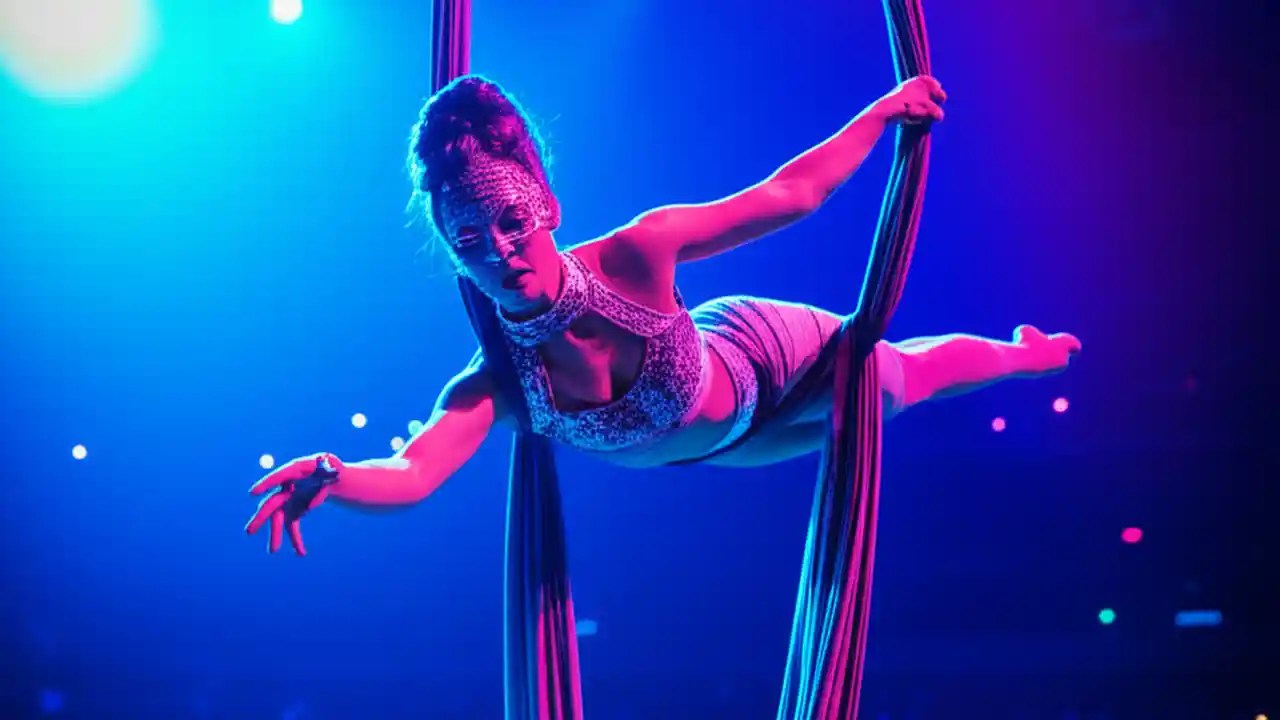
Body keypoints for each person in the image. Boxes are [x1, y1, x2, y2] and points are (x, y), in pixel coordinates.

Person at [244, 74, 1080, 555]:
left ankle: (1025, 355)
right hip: (724, 447)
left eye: (513, 222)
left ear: (548, 208)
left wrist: (880, 116)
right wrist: (334, 476)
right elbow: (417, 471)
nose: (501, 250)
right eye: (472, 240)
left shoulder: (639, 253)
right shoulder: (495, 381)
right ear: (454, 259)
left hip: (764, 358)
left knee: (897, 383)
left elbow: (790, 194)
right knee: (848, 439)